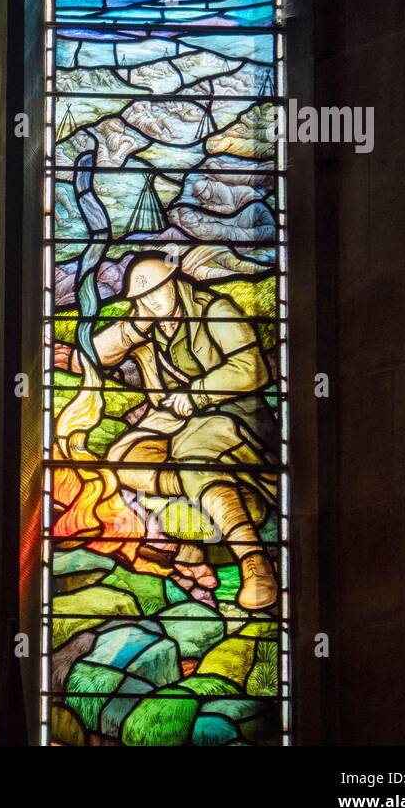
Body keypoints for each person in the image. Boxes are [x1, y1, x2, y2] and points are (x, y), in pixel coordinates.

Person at [91, 254, 280, 611]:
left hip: (234, 417)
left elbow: (251, 368)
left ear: (174, 282)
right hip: (174, 424)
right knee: (125, 460)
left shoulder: (215, 310)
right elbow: (97, 353)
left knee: (195, 455)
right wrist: (134, 328)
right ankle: (230, 493)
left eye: (157, 292)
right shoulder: (149, 323)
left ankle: (253, 561)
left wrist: (198, 394)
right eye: (142, 298)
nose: (151, 301)